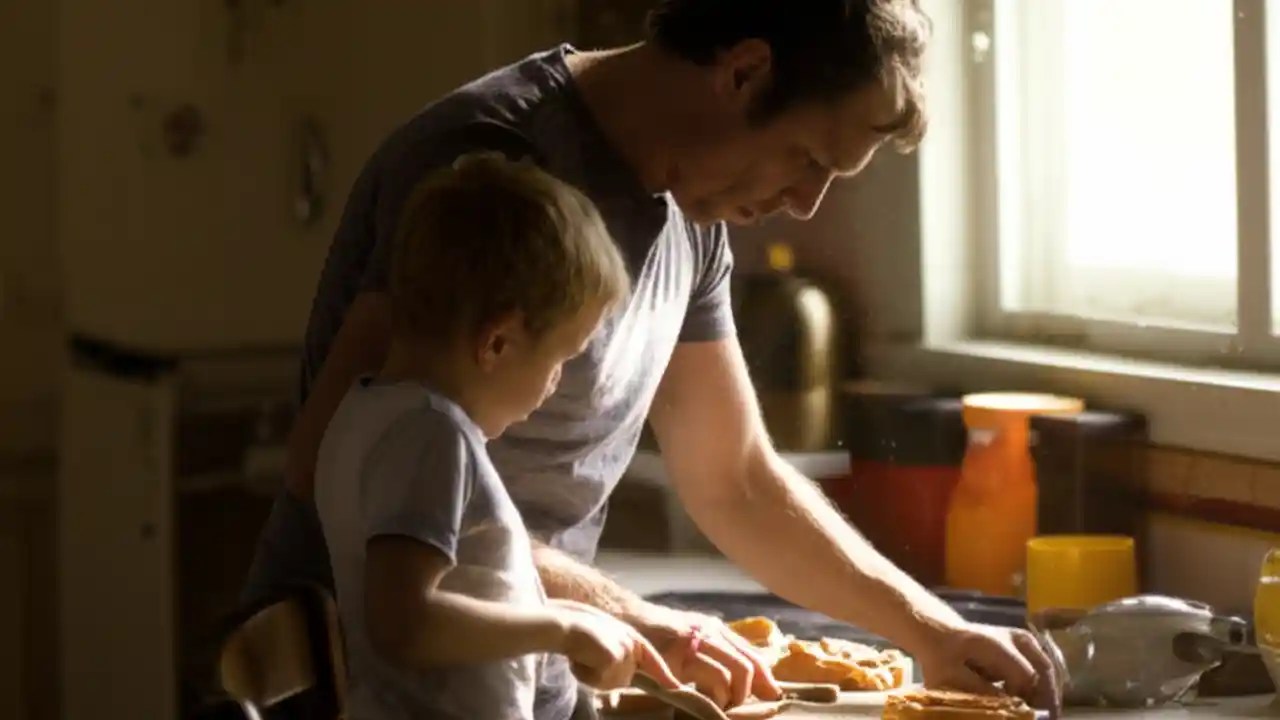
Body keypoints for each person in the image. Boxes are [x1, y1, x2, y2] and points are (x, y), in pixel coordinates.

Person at [244, 0, 1062, 715]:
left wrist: (934, 632)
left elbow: (735, 479)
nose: (806, 206)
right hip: (375, 686)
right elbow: (336, 471)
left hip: (521, 683)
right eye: (809, 158)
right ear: (743, 73)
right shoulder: (493, 171)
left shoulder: (695, 214)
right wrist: (622, 616)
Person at [313, 153, 680, 720]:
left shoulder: (366, 413)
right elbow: (404, 623)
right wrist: (563, 626)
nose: (556, 383)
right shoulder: (430, 437)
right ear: (498, 343)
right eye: (562, 359)